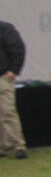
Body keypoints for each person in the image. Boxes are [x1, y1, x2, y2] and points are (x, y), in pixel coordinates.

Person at [0, 19, 28, 159]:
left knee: (7, 112)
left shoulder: (4, 28)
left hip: (3, 77)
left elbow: (18, 49)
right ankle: (4, 146)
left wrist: (13, 70)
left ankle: (19, 146)